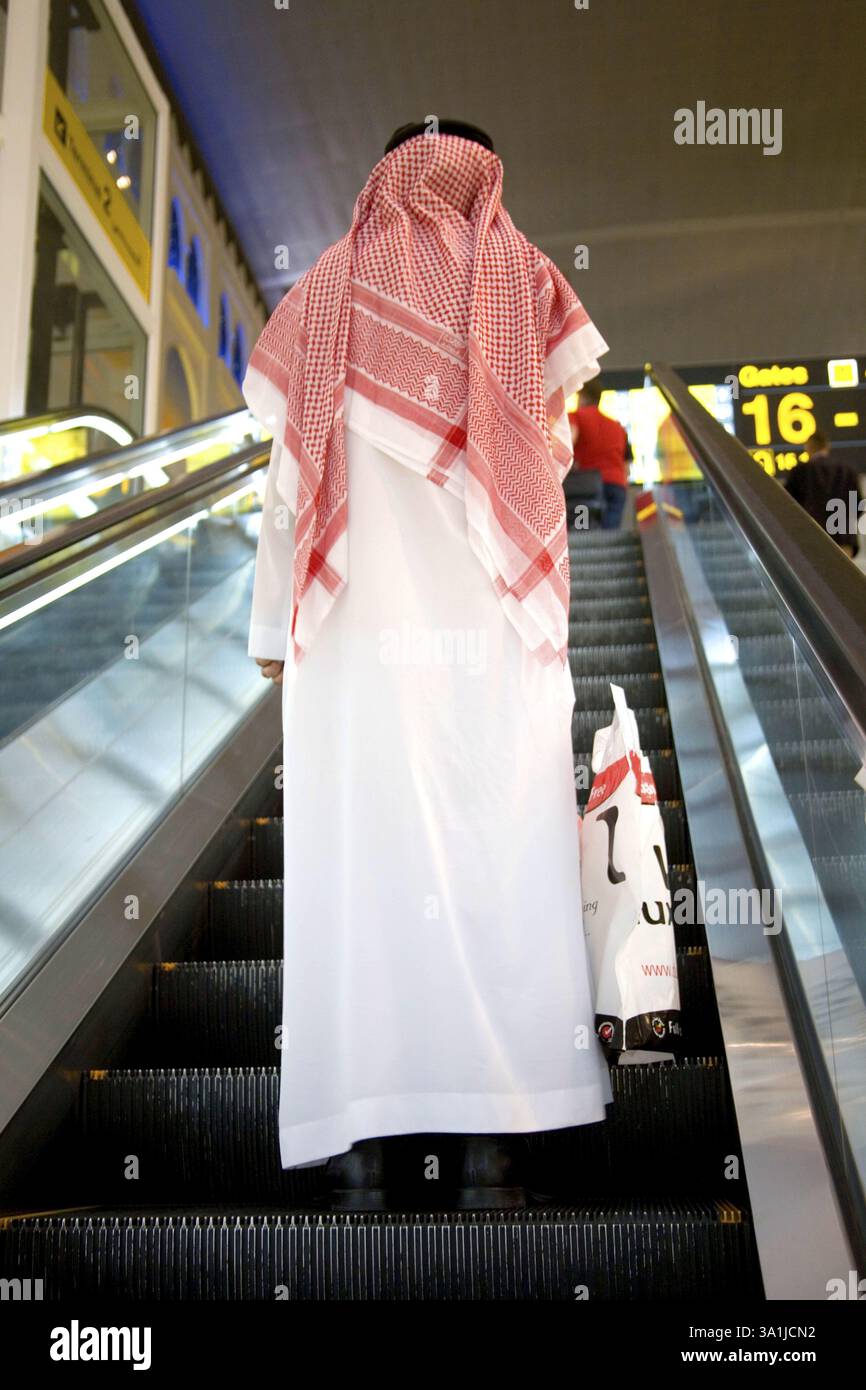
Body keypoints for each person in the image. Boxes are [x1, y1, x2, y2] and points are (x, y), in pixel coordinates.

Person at [241, 120, 613, 1208]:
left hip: (354, 646)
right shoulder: (520, 278)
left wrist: (273, 629)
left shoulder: (325, 291)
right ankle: (500, 1132)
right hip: (490, 650)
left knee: (358, 876)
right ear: (485, 179)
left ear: (382, 176)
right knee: (502, 863)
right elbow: (543, 448)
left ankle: (360, 1133)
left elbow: (283, 484)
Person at [783, 429, 861, 557]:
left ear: (807, 448)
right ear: (827, 447)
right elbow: (857, 505)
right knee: (843, 576)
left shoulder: (800, 472)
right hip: (843, 539)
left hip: (812, 540)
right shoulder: (848, 471)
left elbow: (788, 506)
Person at [569, 374, 630, 529]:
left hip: (585, 487)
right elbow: (627, 463)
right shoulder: (617, 427)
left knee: (581, 530)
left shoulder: (576, 417)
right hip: (617, 486)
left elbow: (569, 443)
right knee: (610, 535)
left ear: (581, 396)